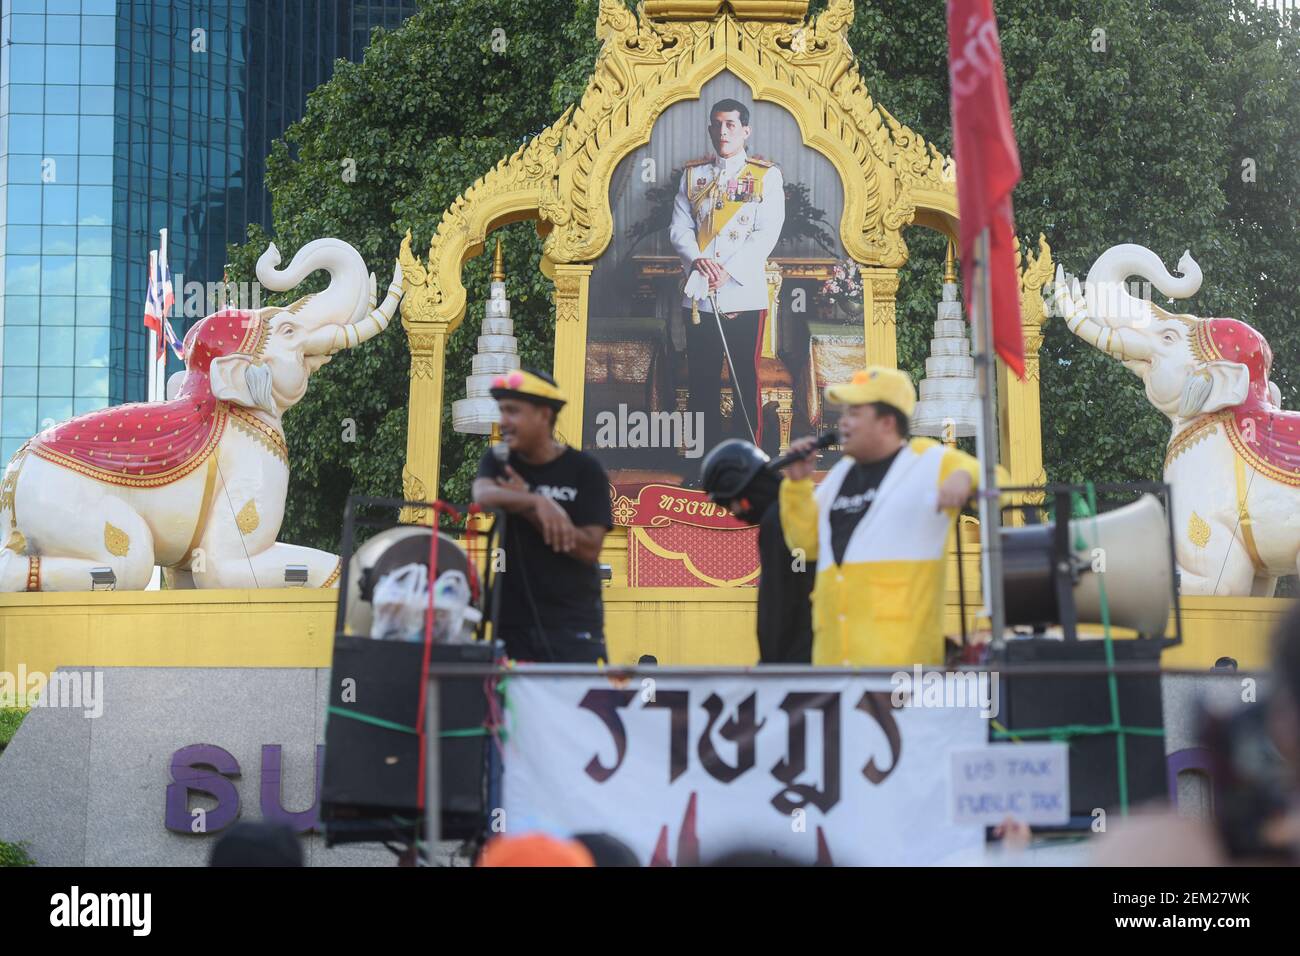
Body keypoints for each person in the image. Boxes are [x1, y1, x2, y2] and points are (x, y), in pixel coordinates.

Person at [779, 367, 978, 666]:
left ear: (887, 422)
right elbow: (805, 542)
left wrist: (964, 477)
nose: (843, 422)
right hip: (834, 664)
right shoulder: (840, 475)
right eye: (844, 413)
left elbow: (996, 483)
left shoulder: (927, 460)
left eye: (855, 413)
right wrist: (796, 485)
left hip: (899, 669)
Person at [473, 369, 613, 663]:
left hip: (572, 628)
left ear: (544, 415)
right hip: (511, 627)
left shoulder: (585, 470)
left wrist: (524, 506)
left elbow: (588, 549)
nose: (504, 421)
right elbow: (483, 496)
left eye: (513, 411)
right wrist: (537, 502)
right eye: (502, 411)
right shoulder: (499, 460)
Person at [669, 98, 786, 451]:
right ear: (710, 129)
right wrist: (698, 261)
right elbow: (679, 229)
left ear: (745, 130)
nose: (723, 131)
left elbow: (767, 232)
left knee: (743, 382)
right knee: (702, 380)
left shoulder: (766, 175)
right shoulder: (694, 176)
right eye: (717, 125)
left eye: (731, 125)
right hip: (700, 295)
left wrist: (728, 270)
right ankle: (703, 459)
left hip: (742, 293)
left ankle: (747, 456)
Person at [700, 438, 813, 663]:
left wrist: (773, 664)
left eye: (731, 503)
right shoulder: (794, 509)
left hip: (793, 667)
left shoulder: (777, 520)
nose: (735, 512)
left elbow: (781, 600)